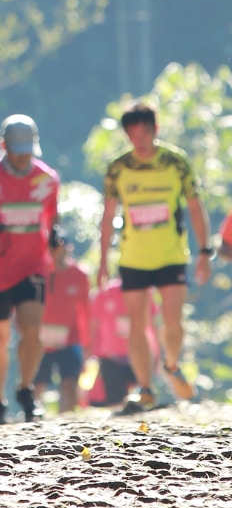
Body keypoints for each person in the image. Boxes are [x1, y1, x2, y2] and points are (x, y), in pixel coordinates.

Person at [98, 102, 212, 411]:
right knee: (137, 323)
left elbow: (194, 206)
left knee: (172, 321)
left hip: (171, 255)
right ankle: (145, 388)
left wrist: (204, 251)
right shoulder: (119, 168)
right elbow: (108, 215)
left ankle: (172, 365)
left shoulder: (176, 162)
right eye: (133, 136)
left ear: (155, 130)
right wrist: (102, 261)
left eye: (144, 134)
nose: (140, 142)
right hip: (133, 257)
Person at [0, 114, 60, 424]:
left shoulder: (47, 180)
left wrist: (57, 241)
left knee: (31, 329)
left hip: (33, 265)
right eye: (16, 149)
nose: (23, 156)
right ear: (3, 146)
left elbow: (52, 220)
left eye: (27, 149)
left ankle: (26, 389)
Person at [33, 235, 90, 413]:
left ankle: (67, 418)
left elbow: (85, 310)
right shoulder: (38, 273)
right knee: (38, 383)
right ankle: (34, 413)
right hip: (40, 339)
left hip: (70, 338)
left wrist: (87, 342)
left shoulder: (79, 275)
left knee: (70, 381)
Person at [87, 277, 159, 407]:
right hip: (111, 356)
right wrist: (91, 352)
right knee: (115, 400)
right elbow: (93, 324)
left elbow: (151, 323)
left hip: (139, 354)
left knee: (143, 395)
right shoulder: (105, 292)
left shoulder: (145, 291)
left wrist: (156, 352)